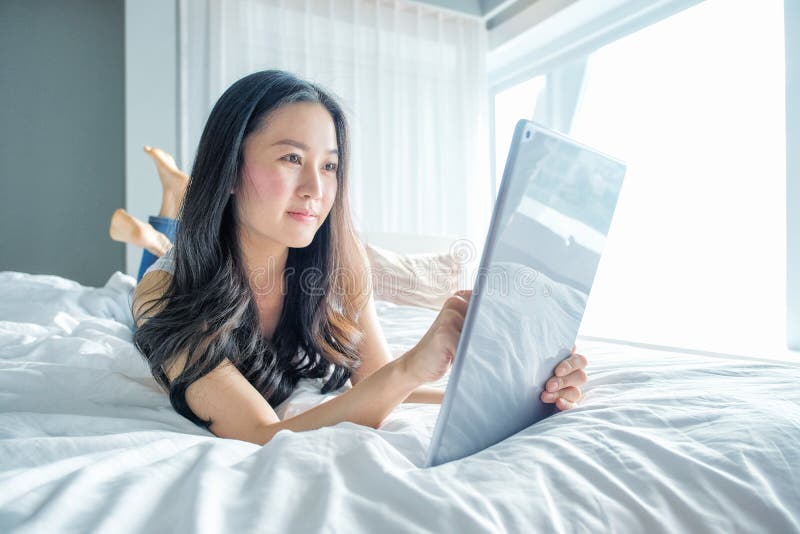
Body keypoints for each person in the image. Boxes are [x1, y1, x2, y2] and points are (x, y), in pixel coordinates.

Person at [118, 70, 588, 446]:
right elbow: (261, 434)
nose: (316, 191)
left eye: (329, 165)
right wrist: (410, 367)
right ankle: (162, 217)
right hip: (180, 282)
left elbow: (379, 382)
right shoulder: (164, 294)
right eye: (290, 159)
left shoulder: (342, 261)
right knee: (165, 262)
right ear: (230, 170)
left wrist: (517, 392)